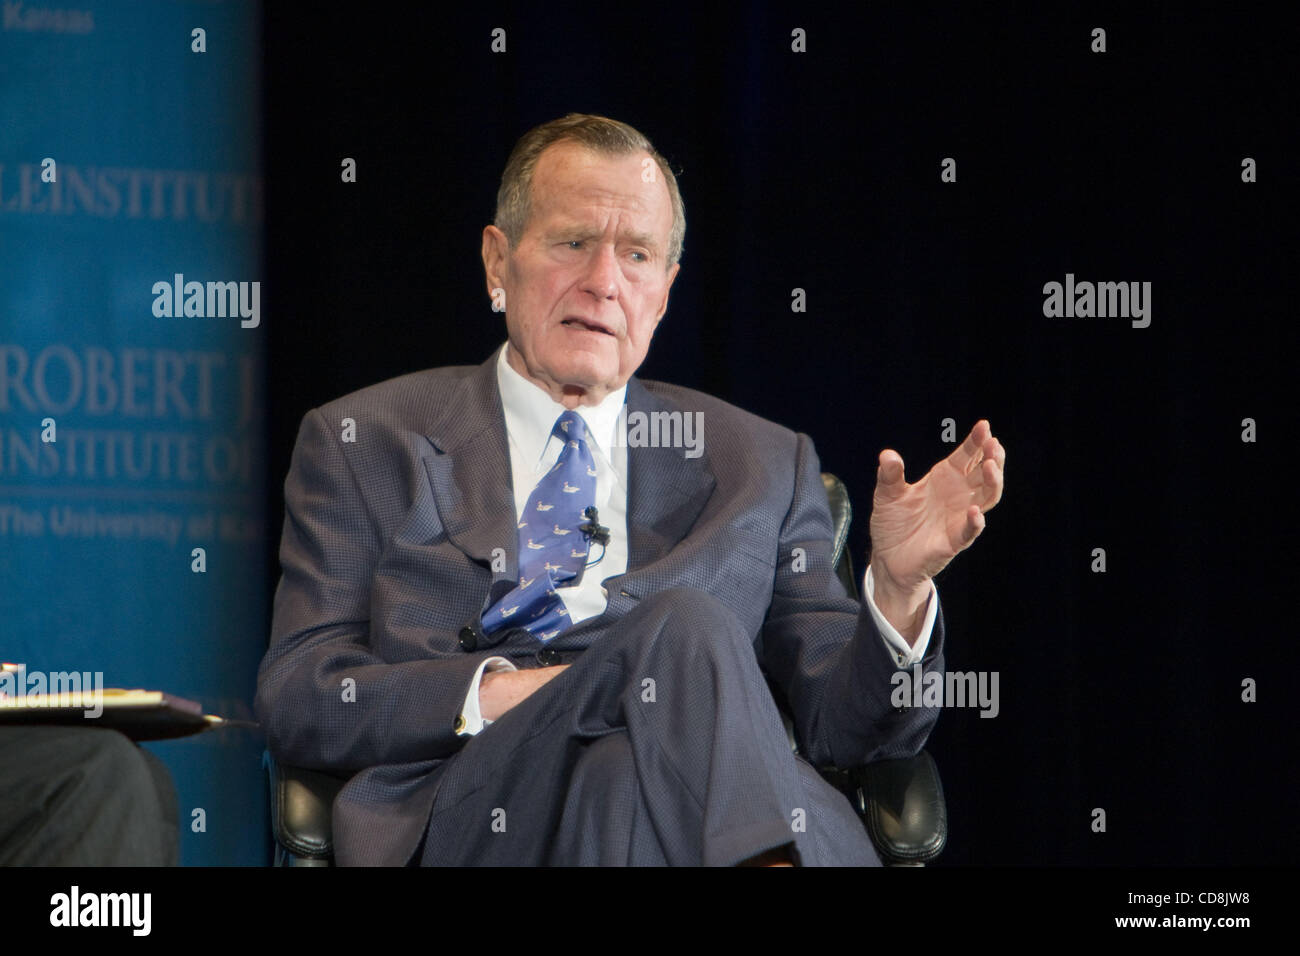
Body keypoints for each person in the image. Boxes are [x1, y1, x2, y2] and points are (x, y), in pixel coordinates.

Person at [255, 113, 1005, 866]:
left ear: (666, 291)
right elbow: (300, 694)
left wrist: (900, 593)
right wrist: (511, 693)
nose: (604, 281)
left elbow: (854, 729)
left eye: (637, 255)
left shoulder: (764, 463)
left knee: (621, 770)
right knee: (685, 627)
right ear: (497, 260)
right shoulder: (365, 441)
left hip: (658, 810)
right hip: (482, 804)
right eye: (573, 242)